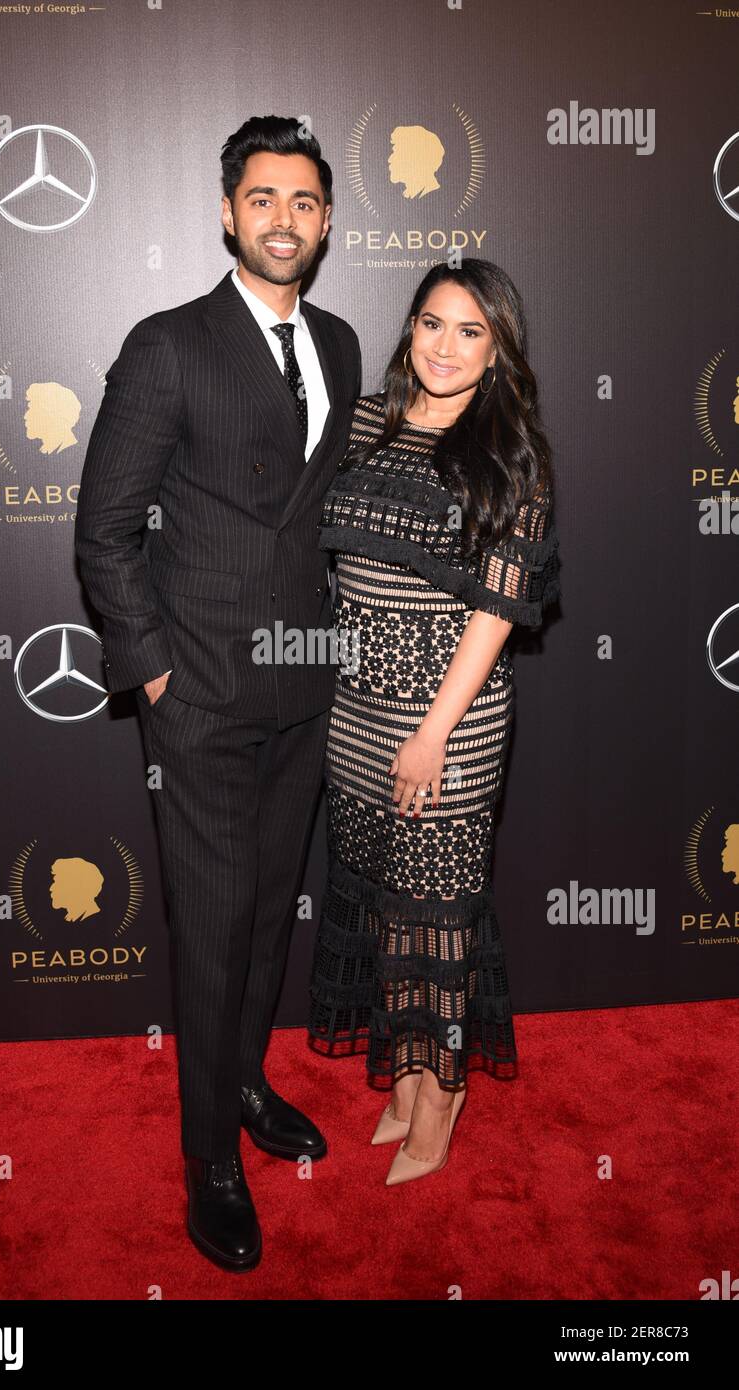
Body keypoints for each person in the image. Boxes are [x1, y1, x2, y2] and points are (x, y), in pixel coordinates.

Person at [74, 115, 361, 1269]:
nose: (282, 219)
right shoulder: (169, 344)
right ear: (228, 213)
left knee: (265, 915)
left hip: (305, 691)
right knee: (211, 931)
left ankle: (244, 1081)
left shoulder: (339, 343)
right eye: (262, 199)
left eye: (303, 201)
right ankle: (208, 1158)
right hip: (196, 698)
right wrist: (155, 676)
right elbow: (102, 535)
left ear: (327, 220)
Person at [307, 258, 560, 1185]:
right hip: (354, 710)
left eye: (469, 331)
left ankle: (440, 1087)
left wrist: (432, 732)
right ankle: (409, 1074)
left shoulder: (510, 454)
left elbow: (495, 612)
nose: (443, 346)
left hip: (445, 717)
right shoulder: (367, 427)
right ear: (407, 330)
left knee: (436, 915)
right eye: (429, 324)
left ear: (497, 352)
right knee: (383, 904)